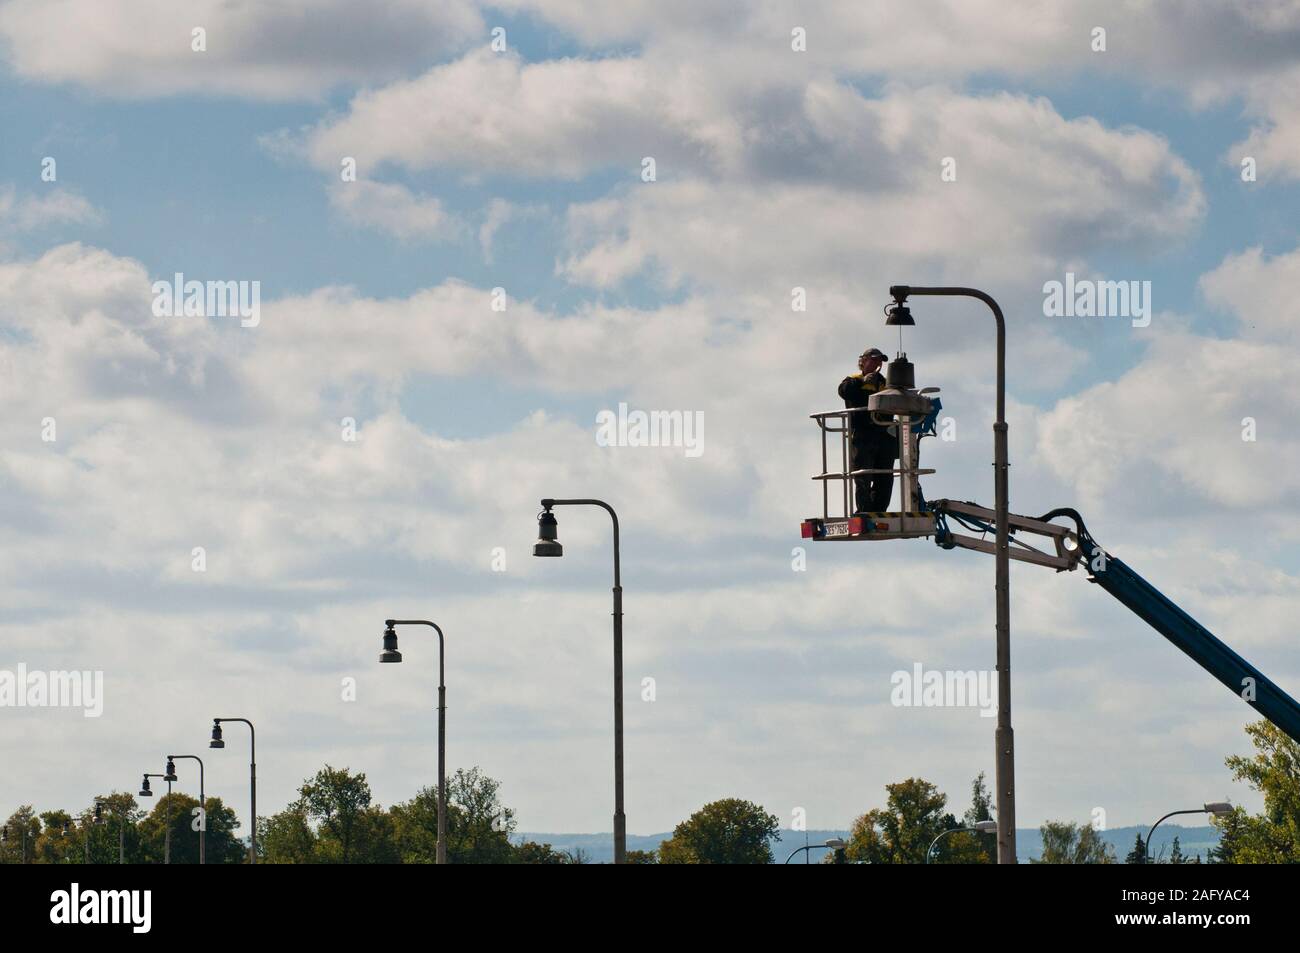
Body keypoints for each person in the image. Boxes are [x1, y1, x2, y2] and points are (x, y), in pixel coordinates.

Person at [838, 347, 897, 513]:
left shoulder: (885, 383)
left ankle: (879, 510)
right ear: (862, 361)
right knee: (863, 475)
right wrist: (863, 381)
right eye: (873, 359)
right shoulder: (853, 380)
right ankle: (864, 510)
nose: (877, 363)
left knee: (885, 475)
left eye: (879, 361)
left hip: (884, 434)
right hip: (862, 434)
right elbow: (843, 392)